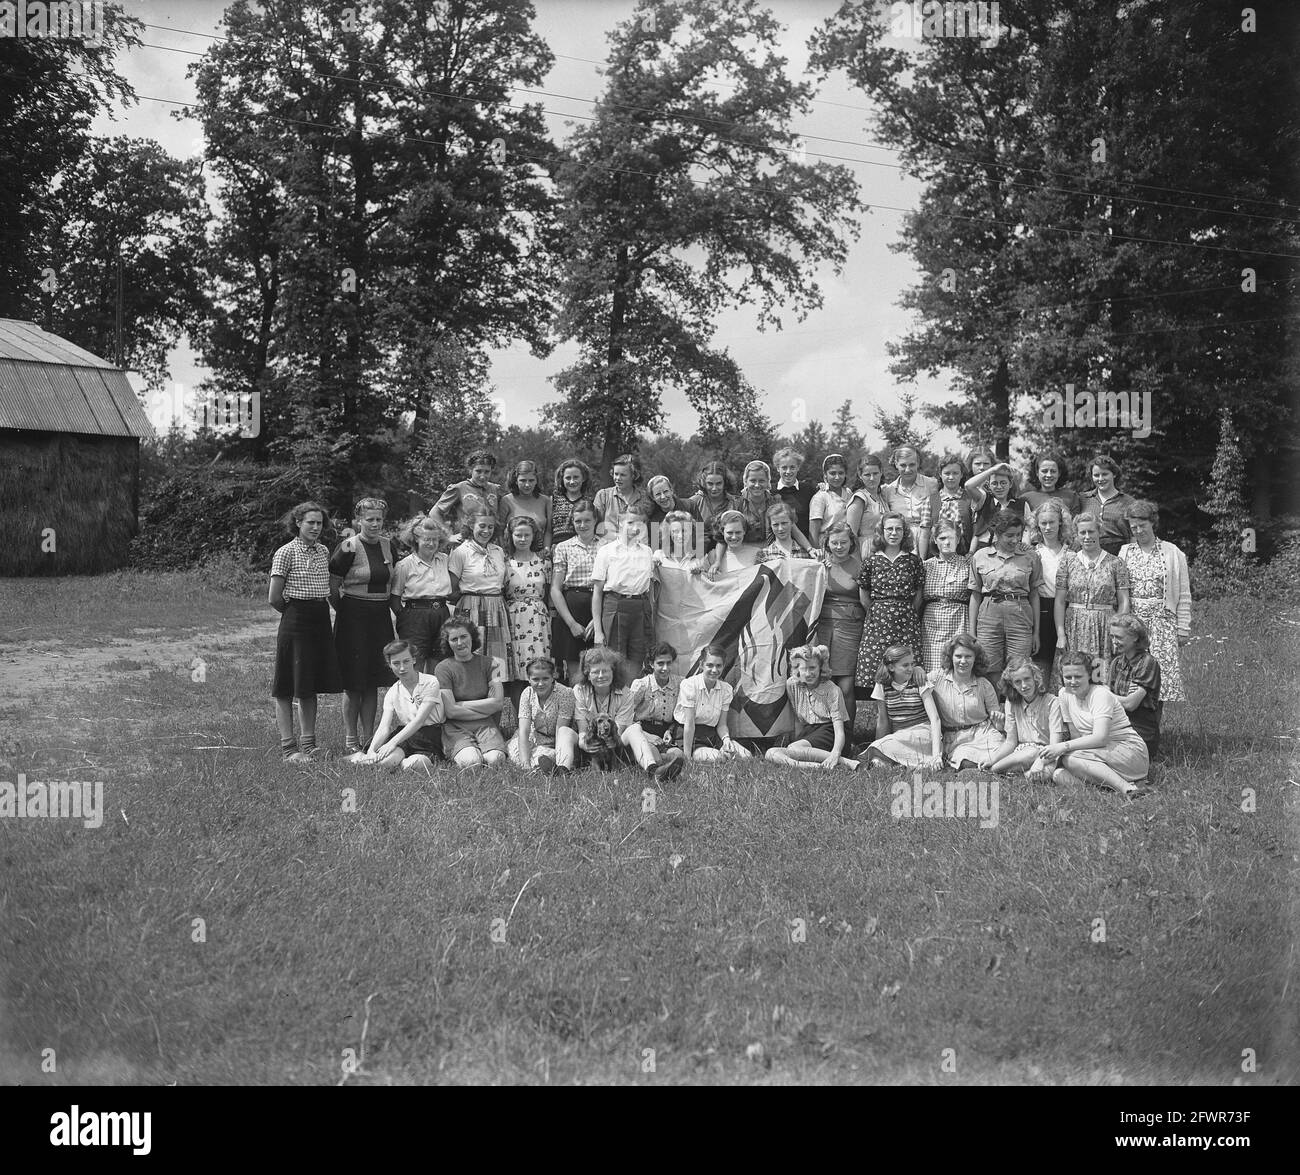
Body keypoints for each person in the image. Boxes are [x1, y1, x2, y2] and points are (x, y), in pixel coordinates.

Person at [269, 501, 343, 763]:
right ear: (298, 522)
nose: (315, 527)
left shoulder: (323, 551)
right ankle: (289, 748)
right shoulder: (285, 552)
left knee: (308, 683)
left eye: (319, 523)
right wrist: (294, 615)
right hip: (295, 618)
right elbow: (274, 597)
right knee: (287, 684)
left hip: (319, 617)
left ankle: (309, 744)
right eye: (310, 522)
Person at [330, 497, 397, 755]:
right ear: (358, 521)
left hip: (379, 616)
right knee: (353, 680)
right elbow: (333, 586)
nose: (375, 524)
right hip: (353, 616)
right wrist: (346, 611)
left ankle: (370, 737)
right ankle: (350, 738)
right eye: (369, 519)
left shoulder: (388, 546)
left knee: (373, 680)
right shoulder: (348, 547)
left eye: (379, 519)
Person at [1037, 651, 1151, 798]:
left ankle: (1128, 789)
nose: (1073, 681)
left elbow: (1100, 738)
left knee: (1068, 759)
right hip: (1097, 752)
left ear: (1089, 675)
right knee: (1059, 774)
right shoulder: (1064, 694)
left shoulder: (1100, 694)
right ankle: (1102, 789)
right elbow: (1076, 736)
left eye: (1078, 676)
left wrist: (1062, 747)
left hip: (1127, 749)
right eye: (1068, 677)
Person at [1118, 499, 1190, 704]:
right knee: (1133, 673)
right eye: (1134, 527)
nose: (1138, 530)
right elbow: (1120, 590)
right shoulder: (1125, 552)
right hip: (1134, 623)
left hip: (1163, 623)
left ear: (1153, 523)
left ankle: (1154, 727)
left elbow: (1184, 594)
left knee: (1160, 676)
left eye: (1143, 525)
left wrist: (1182, 628)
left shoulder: (1172, 552)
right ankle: (1135, 728)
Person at [855, 512, 925, 697]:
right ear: (881, 532)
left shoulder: (913, 561)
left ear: (904, 533)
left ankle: (907, 709)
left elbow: (918, 595)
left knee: (905, 664)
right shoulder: (871, 561)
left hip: (906, 621)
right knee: (878, 665)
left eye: (898, 529)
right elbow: (864, 595)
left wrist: (906, 611)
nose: (894, 533)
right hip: (878, 620)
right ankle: (883, 714)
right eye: (889, 529)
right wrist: (878, 611)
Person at [1055, 512, 1130, 684]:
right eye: (1082, 533)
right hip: (1075, 625)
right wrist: (1061, 634)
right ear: (1076, 535)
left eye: (1091, 531)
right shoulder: (1068, 561)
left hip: (1105, 625)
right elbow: (1060, 600)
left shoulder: (1116, 563)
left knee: (1101, 676)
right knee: (1075, 676)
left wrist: (1117, 631)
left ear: (1099, 532)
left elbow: (1124, 600)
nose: (1087, 537)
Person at [968, 509, 1042, 680]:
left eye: (1018, 534)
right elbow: (975, 595)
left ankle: (1014, 706)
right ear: (997, 533)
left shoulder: (1030, 556)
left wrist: (1036, 632)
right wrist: (972, 631)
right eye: (1009, 535)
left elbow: (1034, 595)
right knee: (989, 665)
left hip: (1020, 612)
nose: (1015, 540)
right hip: (989, 613)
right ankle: (995, 706)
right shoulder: (980, 556)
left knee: (1020, 667)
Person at [573, 646, 667, 777]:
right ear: (587, 675)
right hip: (590, 743)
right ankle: (565, 768)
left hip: (616, 742)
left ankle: (653, 769)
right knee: (565, 732)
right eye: (595, 672)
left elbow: (619, 731)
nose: (601, 676)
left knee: (634, 728)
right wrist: (585, 744)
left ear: (613, 672)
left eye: (605, 671)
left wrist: (611, 742)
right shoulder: (579, 690)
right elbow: (582, 730)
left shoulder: (625, 693)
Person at [354, 640, 444, 774]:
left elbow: (419, 721)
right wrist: (372, 750)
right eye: (396, 663)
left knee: (413, 764)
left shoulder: (430, 682)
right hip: (404, 736)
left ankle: (400, 762)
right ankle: (368, 758)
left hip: (429, 735)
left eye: (406, 661)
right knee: (385, 763)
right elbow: (384, 727)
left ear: (414, 660)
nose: (402, 668)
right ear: (389, 665)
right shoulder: (392, 692)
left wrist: (391, 743)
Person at [765, 644, 860, 770]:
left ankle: (845, 761)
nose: (808, 673)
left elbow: (839, 729)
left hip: (831, 731)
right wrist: (799, 739)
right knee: (771, 753)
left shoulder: (832, 690)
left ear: (820, 667)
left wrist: (836, 752)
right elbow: (798, 718)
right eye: (804, 669)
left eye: (812, 668)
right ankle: (814, 766)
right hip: (810, 732)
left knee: (794, 749)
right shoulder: (792, 685)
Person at [433, 618, 507, 768]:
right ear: (448, 643)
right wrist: (487, 708)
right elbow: (451, 712)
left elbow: (498, 703)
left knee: (496, 759)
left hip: (486, 725)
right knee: (471, 762)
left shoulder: (491, 663)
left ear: (472, 636)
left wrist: (460, 704)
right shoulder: (443, 668)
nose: (460, 643)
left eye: (463, 636)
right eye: (454, 639)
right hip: (455, 727)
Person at [812, 521, 865, 732]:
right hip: (822, 625)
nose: (839, 546)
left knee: (845, 685)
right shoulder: (819, 564)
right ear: (827, 543)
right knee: (821, 680)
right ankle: (823, 731)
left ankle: (847, 734)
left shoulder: (859, 566)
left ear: (851, 543)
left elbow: (866, 600)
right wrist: (818, 573)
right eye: (834, 543)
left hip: (850, 626)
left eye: (844, 542)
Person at [447, 505, 511, 669]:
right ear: (471, 527)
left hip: (496, 607)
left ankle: (495, 691)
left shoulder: (498, 551)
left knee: (496, 656)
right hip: (471, 606)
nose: (486, 531)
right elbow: (451, 588)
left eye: (490, 527)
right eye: (482, 526)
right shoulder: (461, 552)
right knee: (473, 651)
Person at [860, 643, 943, 769]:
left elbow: (935, 719)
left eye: (912, 664)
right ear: (891, 667)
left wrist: (936, 754)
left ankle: (917, 762)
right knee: (878, 759)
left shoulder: (918, 681)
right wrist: (878, 744)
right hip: (899, 736)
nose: (910, 668)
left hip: (923, 735)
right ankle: (903, 764)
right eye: (905, 665)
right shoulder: (882, 685)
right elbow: (883, 721)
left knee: (881, 752)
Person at [928, 633, 1004, 770]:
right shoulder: (937, 678)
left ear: (976, 659)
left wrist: (999, 722)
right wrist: (917, 670)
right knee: (966, 760)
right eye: (958, 656)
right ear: (951, 657)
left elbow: (996, 719)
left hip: (983, 733)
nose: (963, 661)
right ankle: (987, 769)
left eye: (968, 656)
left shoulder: (984, 684)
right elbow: (915, 681)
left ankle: (994, 767)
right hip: (955, 738)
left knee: (1000, 754)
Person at [591, 510, 655, 670]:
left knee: (638, 658)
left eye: (640, 523)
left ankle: (632, 693)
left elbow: (650, 586)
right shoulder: (606, 551)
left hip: (640, 607)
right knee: (615, 658)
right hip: (615, 605)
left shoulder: (647, 552)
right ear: (620, 524)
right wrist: (598, 630)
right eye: (630, 523)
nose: (635, 528)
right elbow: (597, 592)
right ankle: (617, 693)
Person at [389, 514, 454, 673]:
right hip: (415, 617)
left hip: (441, 613)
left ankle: (433, 697)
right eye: (427, 539)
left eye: (435, 539)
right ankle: (413, 697)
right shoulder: (405, 565)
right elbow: (394, 598)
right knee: (415, 662)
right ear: (416, 539)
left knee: (439, 663)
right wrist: (405, 617)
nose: (431, 543)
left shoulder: (445, 560)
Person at [549, 498, 600, 684]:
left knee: (599, 669)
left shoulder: (606, 546)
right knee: (576, 673)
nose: (582, 525)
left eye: (587, 520)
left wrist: (598, 619)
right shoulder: (563, 548)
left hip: (599, 607)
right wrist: (571, 623)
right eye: (578, 521)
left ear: (595, 520)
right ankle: (578, 712)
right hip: (572, 610)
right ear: (572, 522)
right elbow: (556, 588)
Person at [503, 516, 551, 708]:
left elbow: (549, 594)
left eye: (526, 535)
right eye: (518, 535)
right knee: (517, 671)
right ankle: (519, 722)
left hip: (538, 619)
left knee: (539, 668)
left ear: (533, 536)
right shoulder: (505, 562)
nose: (522, 539)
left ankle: (541, 720)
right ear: (511, 536)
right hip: (513, 618)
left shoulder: (543, 562)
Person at [676, 645, 752, 763]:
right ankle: (717, 756)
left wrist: (726, 739)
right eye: (710, 665)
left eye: (718, 666)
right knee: (717, 758)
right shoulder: (689, 685)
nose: (714, 670)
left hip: (712, 735)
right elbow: (689, 724)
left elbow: (721, 725)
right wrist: (687, 757)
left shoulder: (726, 689)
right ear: (701, 665)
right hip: (691, 736)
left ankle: (723, 752)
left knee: (747, 756)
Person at [1026, 498, 1072, 684]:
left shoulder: (1071, 553)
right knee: (1041, 664)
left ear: (1060, 522)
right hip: (1041, 608)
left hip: (1065, 609)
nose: (1047, 527)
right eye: (1043, 523)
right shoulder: (1034, 553)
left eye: (1052, 522)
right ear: (1037, 525)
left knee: (1065, 662)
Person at [627, 643, 688, 781]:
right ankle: (660, 770)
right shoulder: (642, 684)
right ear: (651, 664)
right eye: (660, 663)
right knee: (652, 751)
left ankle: (666, 765)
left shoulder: (680, 683)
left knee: (678, 754)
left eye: (668, 663)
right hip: (643, 731)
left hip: (665, 734)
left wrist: (670, 731)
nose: (665, 668)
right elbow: (626, 716)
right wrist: (647, 736)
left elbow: (679, 715)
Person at [508, 656, 578, 775]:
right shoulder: (527, 693)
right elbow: (524, 730)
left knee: (548, 755)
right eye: (535, 679)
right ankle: (534, 765)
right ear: (529, 679)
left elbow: (560, 731)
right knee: (516, 750)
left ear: (553, 677)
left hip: (556, 739)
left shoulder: (565, 693)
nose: (540, 684)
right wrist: (525, 765)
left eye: (545, 678)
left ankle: (548, 765)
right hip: (535, 736)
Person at [986, 657, 1055, 776]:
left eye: (1027, 679)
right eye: (1017, 682)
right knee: (1031, 752)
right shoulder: (1012, 702)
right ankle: (993, 769)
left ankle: (1015, 773)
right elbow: (1010, 742)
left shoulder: (1052, 702)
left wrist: (1041, 761)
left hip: (1048, 753)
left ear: (1035, 678)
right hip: (1023, 752)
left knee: (1046, 773)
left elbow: (1054, 745)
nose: (1024, 685)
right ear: (1012, 684)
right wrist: (992, 759)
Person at [1107, 614, 1163, 761]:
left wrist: (1103, 693)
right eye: (1112, 636)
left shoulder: (1147, 663)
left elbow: (1130, 704)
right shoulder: (1116, 663)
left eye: (1119, 637)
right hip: (1118, 724)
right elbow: (1110, 701)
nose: (1114, 642)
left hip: (1140, 729)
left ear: (1135, 638)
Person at [921, 519, 972, 672]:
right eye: (942, 538)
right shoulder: (926, 565)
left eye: (951, 538)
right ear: (935, 541)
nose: (947, 542)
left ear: (958, 539)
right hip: (932, 622)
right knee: (933, 669)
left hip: (959, 619)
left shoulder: (968, 564)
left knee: (957, 666)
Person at [882, 445, 937, 559]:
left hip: (926, 538)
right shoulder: (888, 490)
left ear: (918, 463)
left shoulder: (932, 484)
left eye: (912, 464)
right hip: (899, 540)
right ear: (896, 464)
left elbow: (936, 515)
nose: (908, 469)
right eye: (903, 465)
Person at [431, 449, 502, 535]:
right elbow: (434, 513)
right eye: (478, 471)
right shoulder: (459, 488)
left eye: (487, 472)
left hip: (489, 543)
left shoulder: (495, 489)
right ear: (470, 470)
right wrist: (448, 535)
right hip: (465, 542)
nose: (482, 476)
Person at [1077, 454, 1135, 555]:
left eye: (1104, 474)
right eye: (1096, 475)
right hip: (1088, 552)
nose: (1100, 479)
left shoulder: (1128, 502)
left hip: (1118, 553)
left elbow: (1133, 535)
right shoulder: (1083, 499)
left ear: (1114, 474)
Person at [967, 462, 1024, 555]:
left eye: (1003, 483)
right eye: (994, 483)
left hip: (1012, 550)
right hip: (984, 550)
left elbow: (1026, 530)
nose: (999, 487)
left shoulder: (1020, 504)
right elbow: (968, 486)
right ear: (988, 485)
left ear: (1010, 484)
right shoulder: (984, 499)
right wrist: (992, 470)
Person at [926, 454, 977, 555]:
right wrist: (922, 559)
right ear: (940, 474)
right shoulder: (931, 500)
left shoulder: (970, 499)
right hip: (937, 556)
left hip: (963, 554)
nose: (951, 477)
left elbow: (976, 532)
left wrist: (970, 554)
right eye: (947, 473)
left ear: (961, 474)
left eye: (955, 473)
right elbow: (924, 533)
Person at [593, 453, 649, 539]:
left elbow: (650, 527)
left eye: (623, 475)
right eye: (616, 474)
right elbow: (595, 526)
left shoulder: (645, 498)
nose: (618, 478)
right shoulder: (603, 496)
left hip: (636, 548)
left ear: (634, 476)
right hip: (608, 548)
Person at [687, 460, 740, 549]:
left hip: (729, 552)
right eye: (710, 484)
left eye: (718, 483)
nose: (714, 488)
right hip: (698, 553)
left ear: (725, 482)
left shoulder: (735, 503)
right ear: (703, 482)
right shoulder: (693, 503)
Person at [845, 454, 889, 560]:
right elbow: (851, 535)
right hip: (866, 551)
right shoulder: (859, 499)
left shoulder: (882, 496)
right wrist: (857, 564)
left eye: (875, 473)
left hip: (884, 550)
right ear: (860, 475)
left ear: (881, 472)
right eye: (867, 475)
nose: (872, 478)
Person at [498, 459, 550, 538]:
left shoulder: (545, 500)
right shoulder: (506, 500)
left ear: (536, 481)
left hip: (540, 549)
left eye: (531, 480)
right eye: (523, 480)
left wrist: (547, 548)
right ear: (516, 481)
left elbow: (548, 531)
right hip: (512, 549)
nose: (527, 485)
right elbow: (499, 531)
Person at [809, 453, 853, 546]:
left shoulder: (848, 493)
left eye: (841, 473)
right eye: (832, 473)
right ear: (825, 474)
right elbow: (813, 532)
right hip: (827, 546)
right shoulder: (821, 497)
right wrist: (816, 554)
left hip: (845, 545)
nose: (837, 477)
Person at [1022, 451, 1082, 518]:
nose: (1049, 475)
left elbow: (1077, 525)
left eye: (1053, 471)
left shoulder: (1071, 497)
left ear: (1059, 473)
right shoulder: (1026, 499)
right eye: (1044, 471)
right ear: (1037, 473)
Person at [550, 458, 595, 547]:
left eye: (576, 477)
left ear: (583, 478)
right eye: (568, 478)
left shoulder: (590, 502)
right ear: (562, 479)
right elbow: (548, 530)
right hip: (556, 548)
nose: (572, 481)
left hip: (580, 548)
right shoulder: (553, 500)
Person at [773, 447, 815, 534]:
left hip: (805, 544)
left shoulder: (809, 490)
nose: (788, 471)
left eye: (792, 467)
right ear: (778, 468)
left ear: (798, 467)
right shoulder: (771, 491)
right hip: (779, 544)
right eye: (784, 468)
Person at [704, 510, 756, 577]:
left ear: (744, 531)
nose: (734, 537)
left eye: (738, 532)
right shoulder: (712, 556)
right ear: (722, 531)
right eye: (730, 533)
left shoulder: (756, 553)